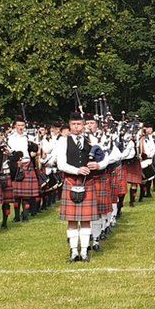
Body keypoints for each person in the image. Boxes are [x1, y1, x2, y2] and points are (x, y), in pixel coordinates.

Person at [56, 111, 104, 262]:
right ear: (69, 126)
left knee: (85, 220)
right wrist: (77, 170)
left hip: (87, 182)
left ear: (84, 125)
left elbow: (104, 158)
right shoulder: (63, 141)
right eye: (73, 124)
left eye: (79, 124)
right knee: (71, 220)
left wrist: (98, 165)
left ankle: (84, 252)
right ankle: (73, 252)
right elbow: (60, 164)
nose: (76, 127)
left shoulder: (91, 140)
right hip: (71, 181)